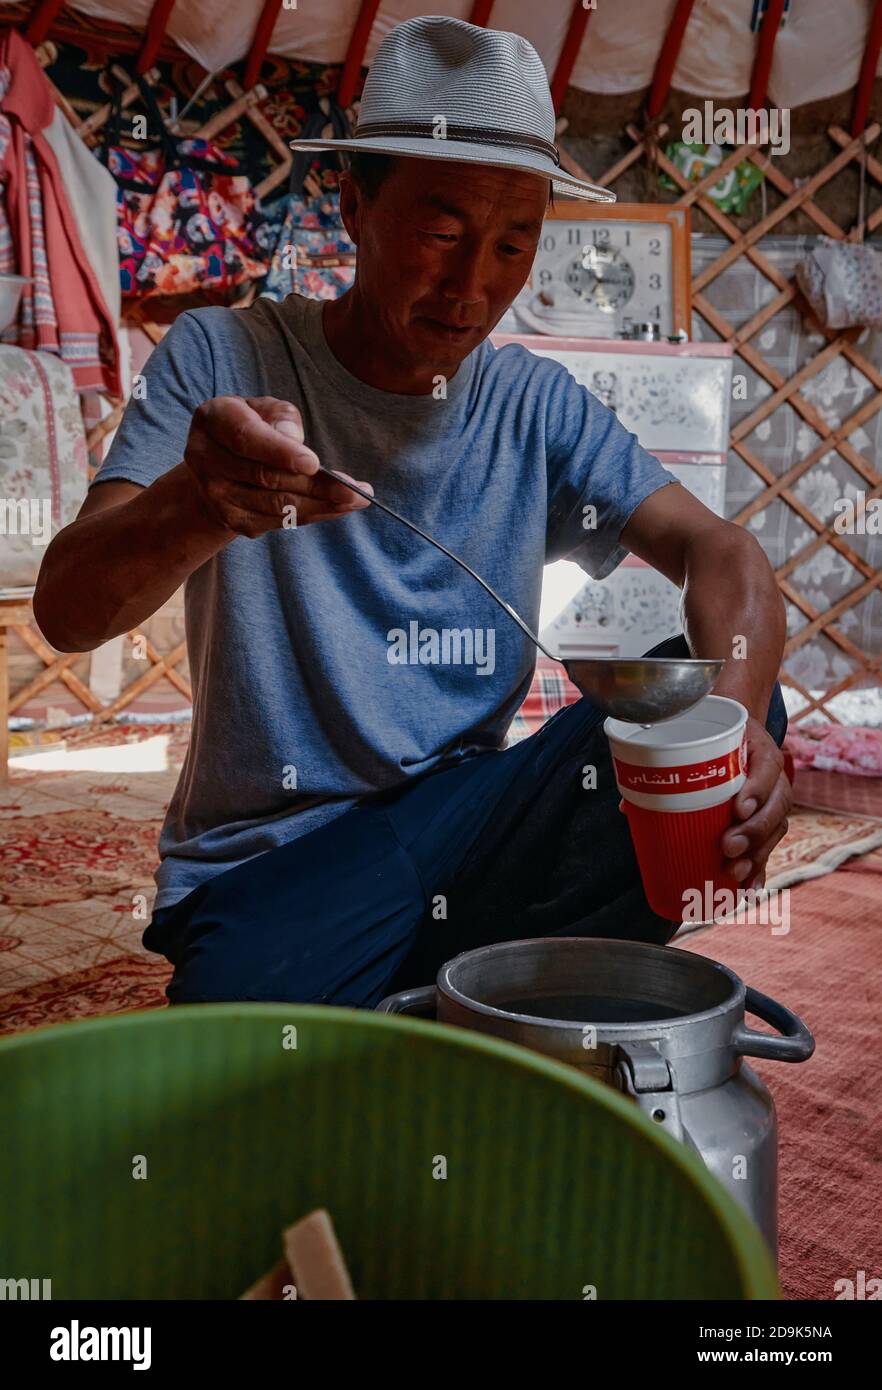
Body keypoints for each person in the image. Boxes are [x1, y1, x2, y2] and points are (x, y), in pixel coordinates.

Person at [34, 16, 790, 1008]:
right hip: (279, 862)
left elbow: (719, 549)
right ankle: (481, 998)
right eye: (441, 233)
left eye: (514, 242)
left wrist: (738, 720)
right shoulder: (226, 356)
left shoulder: (530, 403)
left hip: (462, 831)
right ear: (354, 207)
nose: (474, 286)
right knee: (235, 1046)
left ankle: (460, 997)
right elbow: (67, 610)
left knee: (715, 704)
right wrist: (200, 503)